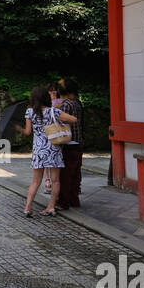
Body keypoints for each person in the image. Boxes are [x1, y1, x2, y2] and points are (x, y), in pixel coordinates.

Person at [17, 86, 78, 217]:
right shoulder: (53, 112)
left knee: (36, 181)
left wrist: (19, 128)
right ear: (46, 97)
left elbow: (27, 132)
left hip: (38, 150)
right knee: (55, 180)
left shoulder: (29, 112)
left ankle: (27, 207)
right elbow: (73, 119)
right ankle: (50, 207)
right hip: (53, 148)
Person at [55, 78, 85, 209]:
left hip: (68, 144)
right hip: (78, 142)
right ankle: (74, 200)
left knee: (65, 175)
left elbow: (60, 122)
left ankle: (63, 202)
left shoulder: (66, 104)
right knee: (75, 174)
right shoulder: (78, 102)